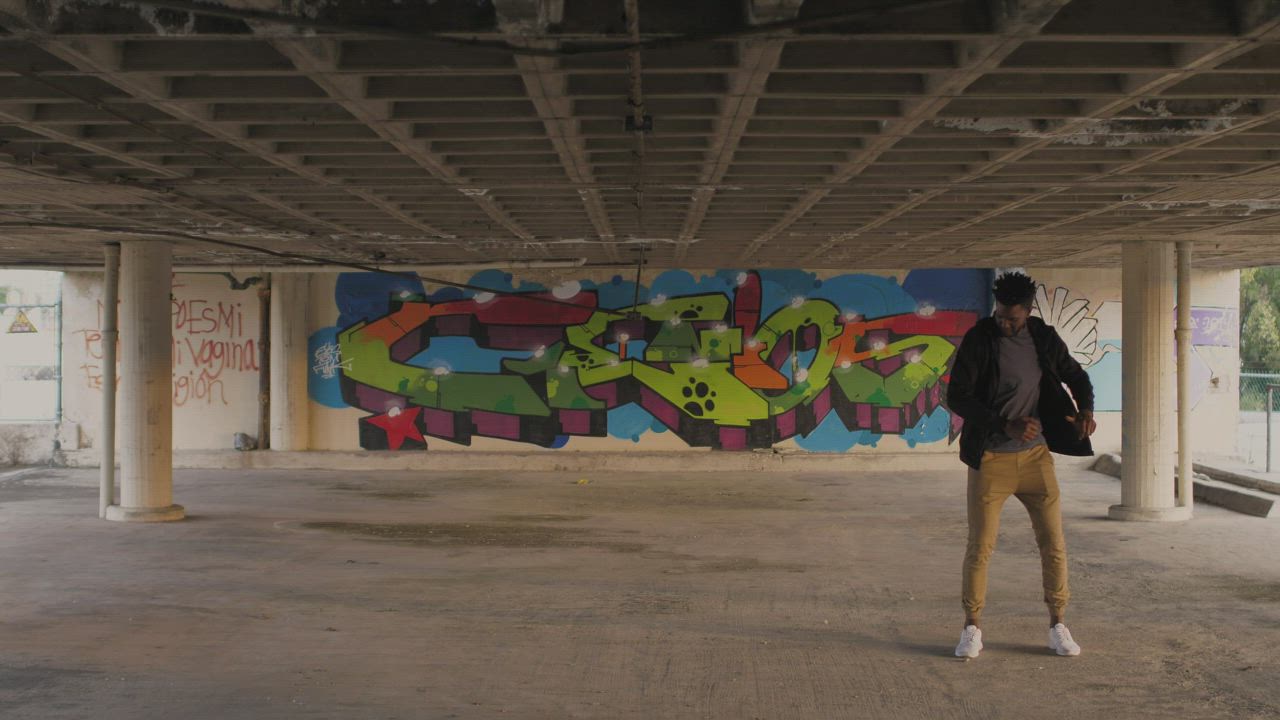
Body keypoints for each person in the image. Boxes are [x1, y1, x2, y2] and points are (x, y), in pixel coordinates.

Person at [945, 271, 1097, 659]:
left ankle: (1058, 625)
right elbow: (957, 396)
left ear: (1027, 313)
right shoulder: (981, 339)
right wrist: (1002, 423)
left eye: (1012, 318)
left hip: (1036, 458)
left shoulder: (1042, 338)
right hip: (990, 460)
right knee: (980, 547)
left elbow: (1077, 376)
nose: (1004, 323)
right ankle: (972, 628)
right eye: (1000, 316)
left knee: (1054, 544)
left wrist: (1086, 411)